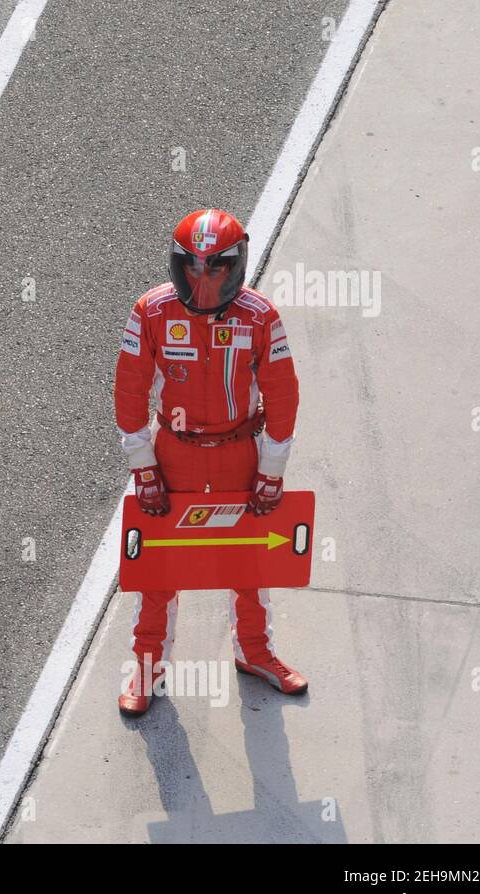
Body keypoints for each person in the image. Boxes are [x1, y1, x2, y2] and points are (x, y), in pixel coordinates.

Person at [113, 208, 306, 716]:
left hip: (239, 452)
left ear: (237, 264)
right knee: (157, 567)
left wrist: (272, 472)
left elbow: (283, 398)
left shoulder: (260, 316)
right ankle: (147, 665)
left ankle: (255, 653)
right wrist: (143, 467)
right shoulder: (150, 311)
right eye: (192, 268)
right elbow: (129, 391)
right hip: (172, 452)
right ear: (176, 264)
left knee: (249, 561)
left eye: (215, 268)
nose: (202, 280)